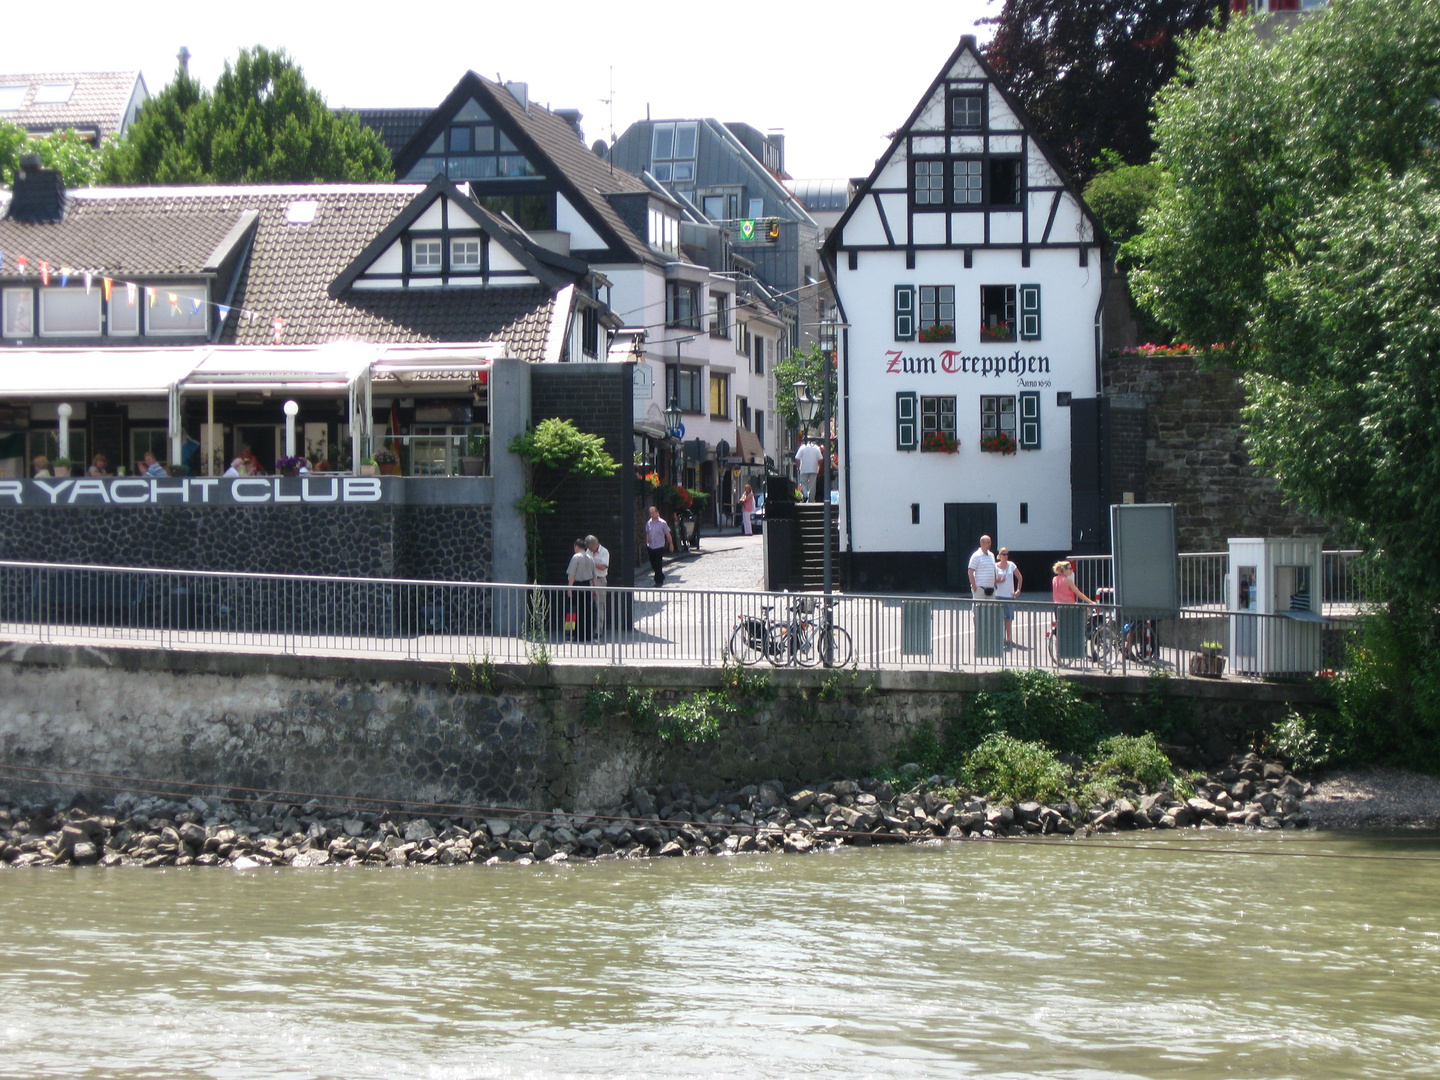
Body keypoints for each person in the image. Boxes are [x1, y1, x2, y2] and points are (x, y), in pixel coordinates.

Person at [565, 538, 595, 639]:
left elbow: (572, 575)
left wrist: (569, 589)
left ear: (576, 546)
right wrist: (595, 589)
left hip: (577, 586)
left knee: (574, 610)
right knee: (587, 610)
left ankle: (575, 633)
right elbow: (594, 577)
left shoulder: (576, 557)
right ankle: (587, 634)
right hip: (587, 586)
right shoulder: (590, 558)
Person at [995, 546, 1024, 649]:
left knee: (1009, 618)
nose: (1006, 556)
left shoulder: (1011, 565)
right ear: (999, 555)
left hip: (1009, 596)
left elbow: (1020, 578)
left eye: (1007, 554)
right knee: (999, 618)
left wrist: (1018, 590)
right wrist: (998, 581)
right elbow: (991, 581)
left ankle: (1009, 638)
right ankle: (999, 638)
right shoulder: (995, 566)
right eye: (1004, 554)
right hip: (998, 595)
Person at [586, 534, 610, 638]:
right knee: (587, 605)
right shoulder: (588, 552)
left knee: (599, 605)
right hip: (589, 579)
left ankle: (598, 630)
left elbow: (603, 567)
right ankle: (588, 629)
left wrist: (591, 562)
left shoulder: (604, 552)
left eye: (591, 547)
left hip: (600, 580)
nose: (590, 550)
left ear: (596, 544)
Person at [645, 505, 673, 586]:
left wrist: (671, 544)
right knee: (653, 563)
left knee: (658, 563)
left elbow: (667, 534)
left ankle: (658, 581)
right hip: (650, 546)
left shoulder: (662, 523)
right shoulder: (648, 523)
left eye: (653, 512)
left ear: (657, 513)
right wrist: (647, 541)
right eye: (651, 513)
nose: (652, 514)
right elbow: (648, 533)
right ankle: (661, 575)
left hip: (659, 546)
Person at [968, 534, 997, 600]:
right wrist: (975, 587)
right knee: (979, 608)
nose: (989, 544)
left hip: (991, 588)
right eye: (987, 542)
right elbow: (970, 572)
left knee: (990, 609)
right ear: (981, 543)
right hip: (980, 588)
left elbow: (993, 570)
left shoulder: (992, 555)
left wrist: (995, 583)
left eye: (990, 542)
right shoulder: (976, 555)